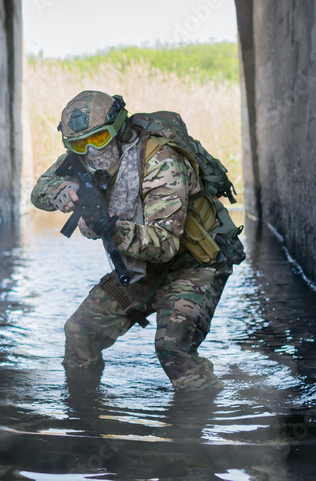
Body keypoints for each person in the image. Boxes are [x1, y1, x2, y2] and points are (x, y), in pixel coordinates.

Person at [31, 90, 245, 394]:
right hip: (142, 266)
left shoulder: (161, 160)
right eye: (80, 144)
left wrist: (108, 229)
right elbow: (39, 189)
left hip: (195, 263)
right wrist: (60, 191)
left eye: (99, 139)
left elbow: (164, 243)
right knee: (80, 332)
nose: (91, 152)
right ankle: (82, 416)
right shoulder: (80, 159)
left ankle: (202, 418)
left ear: (118, 129)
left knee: (173, 349)